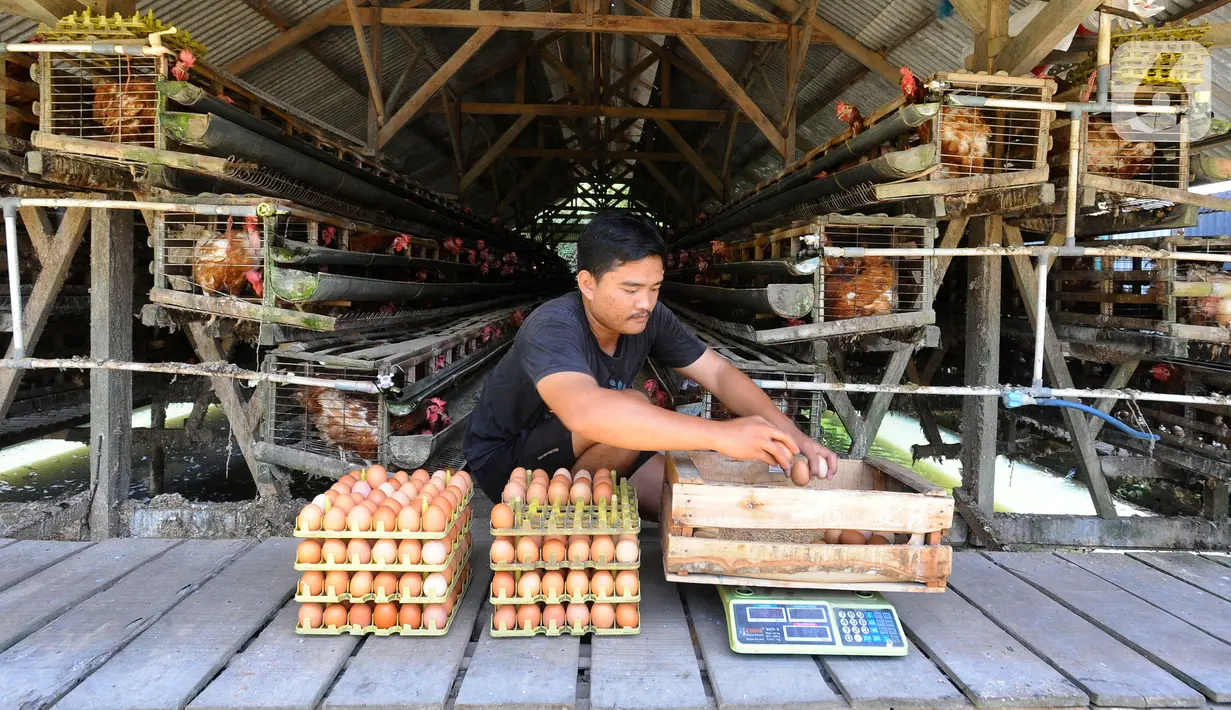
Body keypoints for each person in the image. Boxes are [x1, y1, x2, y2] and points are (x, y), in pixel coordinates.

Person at [463, 212, 838, 518]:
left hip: (587, 449)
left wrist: (796, 436)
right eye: (630, 289)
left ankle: (583, 504)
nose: (645, 302)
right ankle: (563, 522)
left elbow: (719, 374)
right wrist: (721, 435)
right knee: (633, 403)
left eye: (655, 288)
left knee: (699, 512)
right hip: (508, 464)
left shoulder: (651, 318)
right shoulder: (553, 325)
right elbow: (585, 412)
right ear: (587, 283)